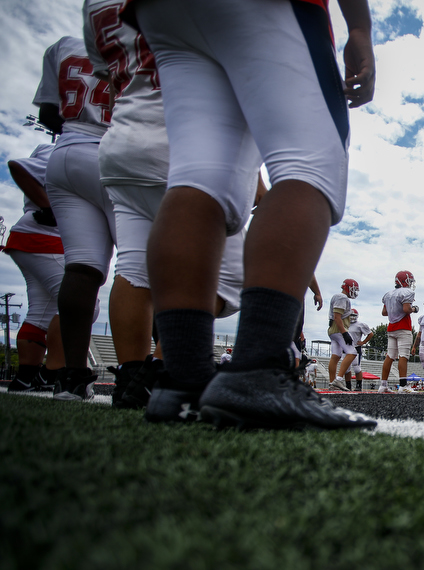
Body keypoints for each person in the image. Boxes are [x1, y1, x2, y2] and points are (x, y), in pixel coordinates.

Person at [128, 0, 377, 430]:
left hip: (162, 12)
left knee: (199, 178)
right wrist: (360, 27)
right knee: (310, 164)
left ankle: (183, 382)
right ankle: (256, 370)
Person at [83, 0, 248, 413]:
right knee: (233, 273)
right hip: (182, 137)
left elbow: (108, 72)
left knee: (134, 267)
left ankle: (130, 377)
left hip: (121, 142)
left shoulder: (95, 2)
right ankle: (162, 367)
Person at [33, 36, 112, 402]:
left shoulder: (64, 45)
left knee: (81, 268)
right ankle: (138, 375)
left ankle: (72, 379)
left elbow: (50, 112)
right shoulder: (146, 39)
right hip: (121, 152)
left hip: (66, 152)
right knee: (141, 265)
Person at [4, 144, 66, 391]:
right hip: (45, 237)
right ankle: (51, 373)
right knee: (79, 304)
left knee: (41, 312)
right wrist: (48, 207)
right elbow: (19, 167)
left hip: (30, 237)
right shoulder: (59, 154)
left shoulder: (53, 154)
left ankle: (26, 377)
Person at [379, 270, 417, 394]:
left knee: (389, 356)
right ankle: (403, 386)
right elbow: (406, 309)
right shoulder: (407, 292)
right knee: (403, 356)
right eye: (410, 281)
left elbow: (384, 313)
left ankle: (383, 385)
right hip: (403, 327)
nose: (411, 284)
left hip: (391, 328)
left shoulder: (388, 294)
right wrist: (414, 309)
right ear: (405, 280)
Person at [327, 278, 359, 391]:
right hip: (338, 329)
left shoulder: (338, 297)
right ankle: (338, 380)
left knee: (335, 356)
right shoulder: (342, 297)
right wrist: (345, 333)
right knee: (352, 352)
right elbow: (337, 317)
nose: (355, 292)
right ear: (348, 287)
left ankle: (332, 383)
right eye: (354, 289)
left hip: (333, 329)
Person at [343, 308, 373, 390]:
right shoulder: (344, 324)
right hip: (345, 348)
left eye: (354, 315)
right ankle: (348, 386)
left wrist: (363, 342)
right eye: (351, 315)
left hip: (356, 348)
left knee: (357, 368)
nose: (352, 317)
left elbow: (370, 334)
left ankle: (359, 386)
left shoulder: (360, 324)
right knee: (346, 369)